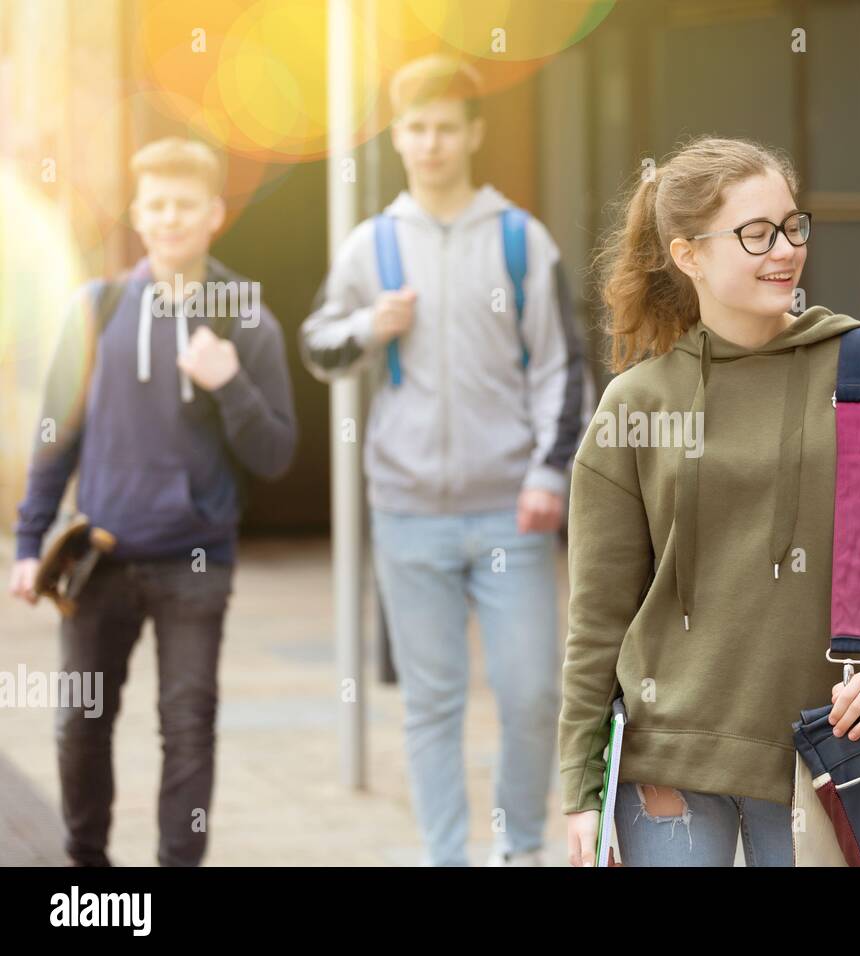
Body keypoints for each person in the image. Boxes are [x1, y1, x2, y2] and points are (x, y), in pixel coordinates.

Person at [561, 136, 860, 867]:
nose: (784, 250)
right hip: (668, 764)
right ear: (688, 255)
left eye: (792, 226)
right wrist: (581, 789)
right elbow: (598, 618)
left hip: (830, 754)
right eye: (756, 234)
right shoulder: (636, 402)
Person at [300, 55, 592, 867]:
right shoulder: (372, 246)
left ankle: (516, 850)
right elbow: (318, 345)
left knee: (532, 694)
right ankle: (444, 857)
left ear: (472, 133)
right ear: (399, 137)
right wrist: (369, 328)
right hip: (407, 513)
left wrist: (546, 475)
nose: (429, 143)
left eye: (444, 128)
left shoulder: (518, 239)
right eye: (415, 128)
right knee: (431, 703)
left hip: (513, 510)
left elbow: (564, 368)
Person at [8, 136, 298, 866]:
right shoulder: (96, 310)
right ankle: (87, 868)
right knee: (79, 723)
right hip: (96, 558)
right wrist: (26, 541)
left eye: (185, 205)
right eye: (157, 205)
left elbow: (276, 454)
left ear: (213, 214)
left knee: (188, 725)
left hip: (195, 566)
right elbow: (55, 433)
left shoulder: (245, 322)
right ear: (139, 214)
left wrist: (227, 382)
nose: (170, 219)